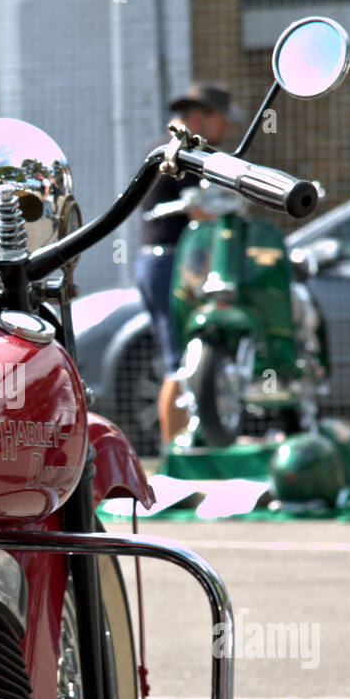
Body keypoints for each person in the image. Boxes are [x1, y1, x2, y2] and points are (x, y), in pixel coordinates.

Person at [136, 82, 241, 447]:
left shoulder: (178, 150)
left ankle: (188, 449)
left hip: (165, 264)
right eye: (221, 120)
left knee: (182, 359)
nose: (226, 130)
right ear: (198, 117)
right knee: (177, 363)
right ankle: (173, 458)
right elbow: (202, 208)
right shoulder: (177, 153)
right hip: (167, 266)